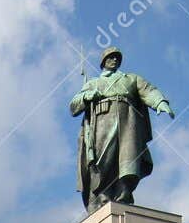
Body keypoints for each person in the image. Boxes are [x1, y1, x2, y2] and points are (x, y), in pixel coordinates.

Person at [70, 46, 175, 210]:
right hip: (103, 121)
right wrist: (87, 96)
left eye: (117, 58)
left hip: (128, 122)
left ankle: (123, 194)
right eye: (110, 57)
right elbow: (74, 106)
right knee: (104, 160)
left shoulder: (131, 79)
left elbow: (148, 90)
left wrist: (160, 102)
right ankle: (102, 194)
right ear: (103, 61)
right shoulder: (93, 83)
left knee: (129, 159)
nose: (114, 60)